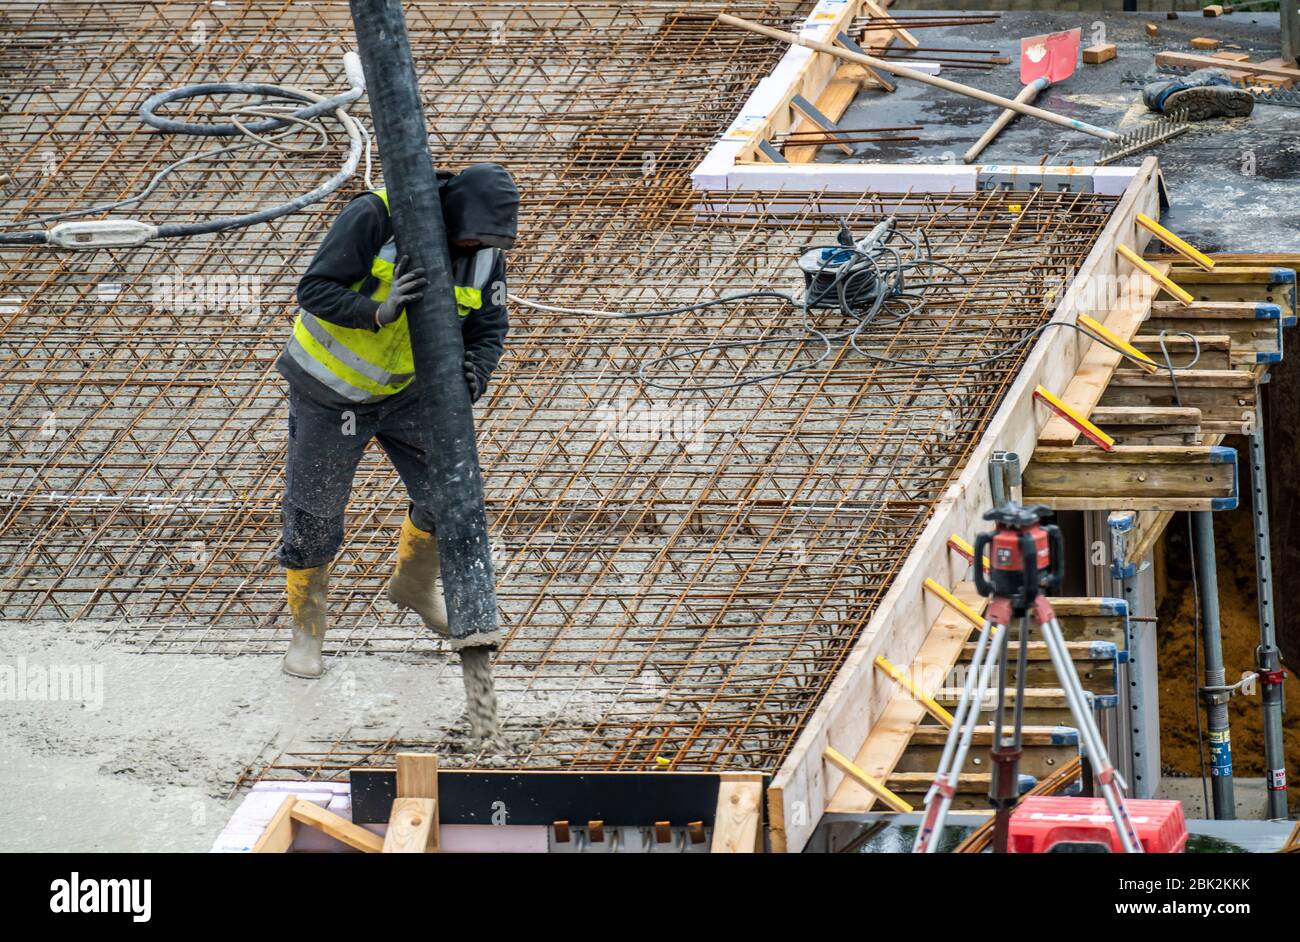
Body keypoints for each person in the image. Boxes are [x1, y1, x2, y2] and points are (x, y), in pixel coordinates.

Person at [275, 162, 518, 678]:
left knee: (449, 492)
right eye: (469, 242)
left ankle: (413, 585)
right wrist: (376, 311)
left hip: (409, 392)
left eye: (484, 245)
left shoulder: (485, 249)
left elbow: (489, 325)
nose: (474, 252)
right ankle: (307, 629)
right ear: (448, 217)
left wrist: (476, 370)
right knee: (315, 512)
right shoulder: (375, 215)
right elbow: (313, 289)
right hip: (329, 392)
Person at [1142, 67, 1254, 120]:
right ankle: (1220, 84)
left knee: (1150, 93)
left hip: (1160, 94)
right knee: (1216, 73)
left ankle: (1173, 91)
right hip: (1213, 78)